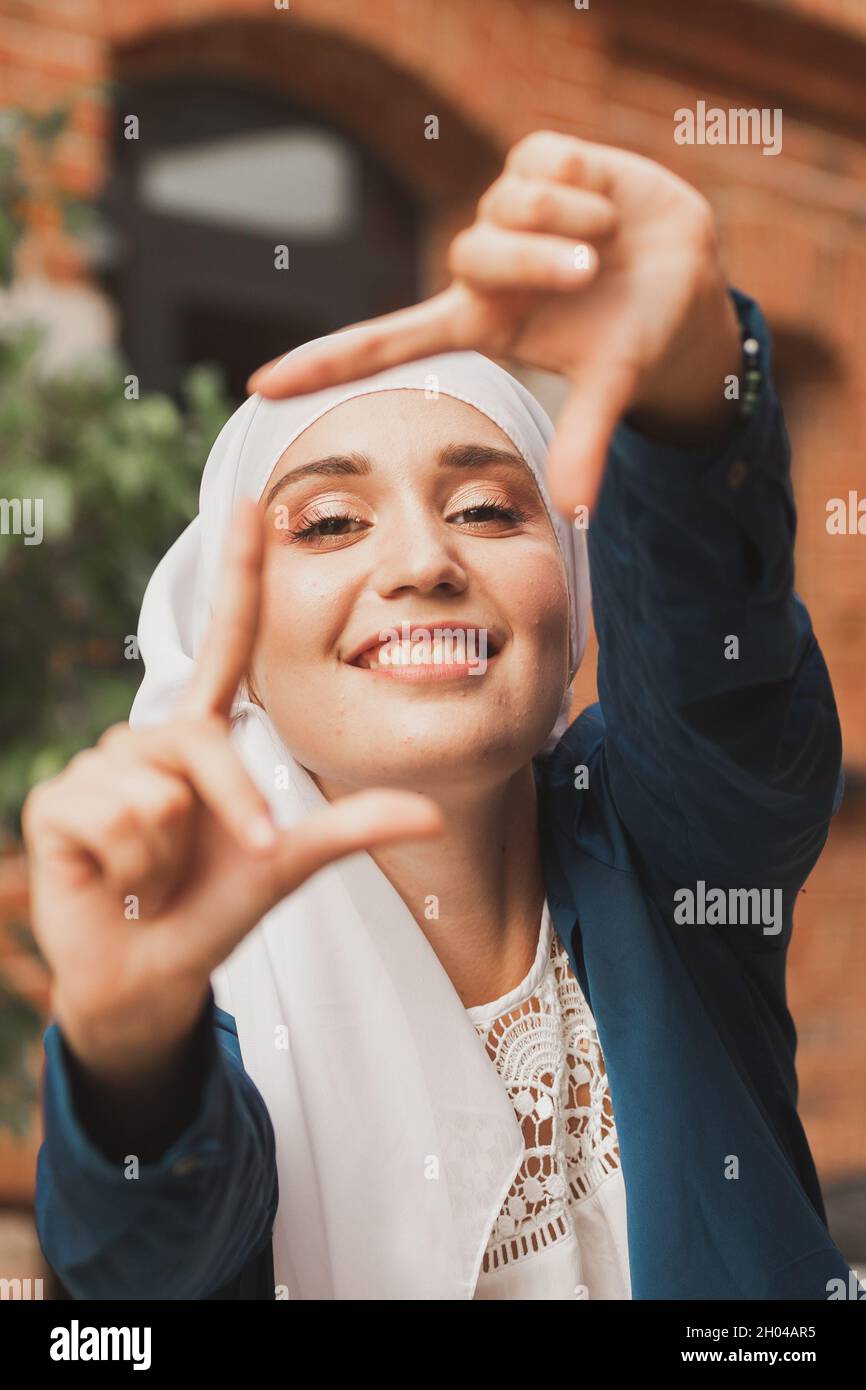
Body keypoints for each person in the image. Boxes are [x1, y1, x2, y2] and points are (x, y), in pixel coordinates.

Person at [27, 131, 858, 1300]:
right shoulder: (204, 964)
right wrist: (126, 1052)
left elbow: (723, 672)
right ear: (236, 646)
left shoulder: (671, 845)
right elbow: (148, 1270)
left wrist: (684, 385)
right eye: (326, 524)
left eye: (483, 507)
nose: (421, 560)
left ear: (571, 602)